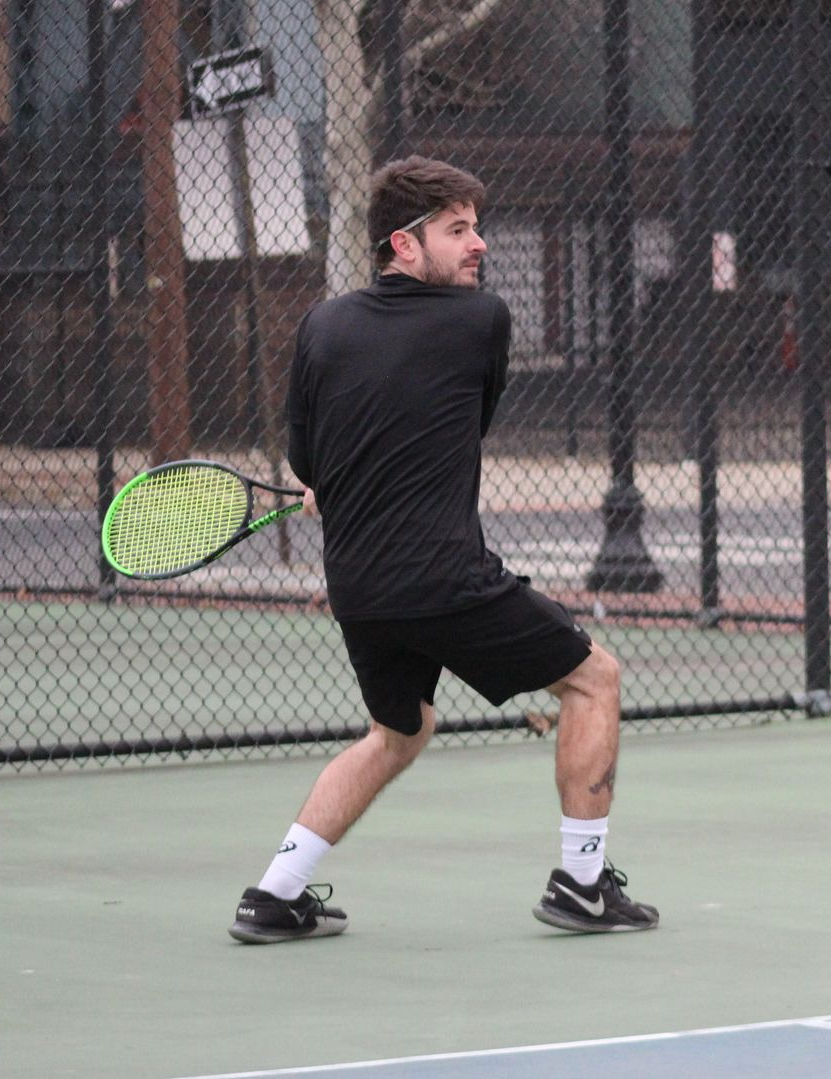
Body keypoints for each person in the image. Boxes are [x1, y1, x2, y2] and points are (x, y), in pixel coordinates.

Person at [228, 156, 657, 943]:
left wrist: (341, 478)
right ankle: (584, 884)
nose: (479, 244)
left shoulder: (320, 325)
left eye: (476, 227)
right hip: (445, 580)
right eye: (457, 230)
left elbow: (310, 464)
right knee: (594, 679)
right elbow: (463, 423)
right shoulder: (481, 321)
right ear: (403, 243)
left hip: (359, 590)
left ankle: (275, 893)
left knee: (400, 731)